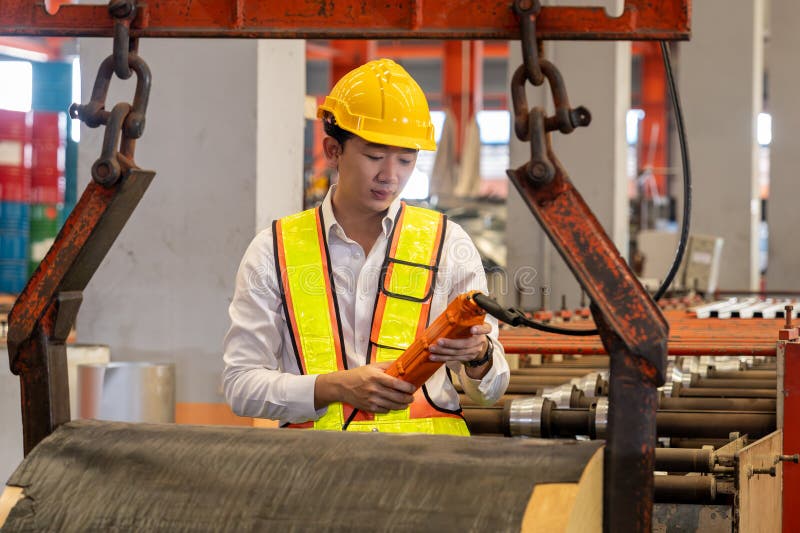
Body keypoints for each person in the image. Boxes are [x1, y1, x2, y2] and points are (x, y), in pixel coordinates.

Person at [223, 58, 509, 435]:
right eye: (374, 156)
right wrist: (332, 387)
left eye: (406, 160)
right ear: (333, 150)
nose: (390, 176)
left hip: (430, 475)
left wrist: (481, 356)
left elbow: (490, 391)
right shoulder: (273, 251)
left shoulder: (447, 244)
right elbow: (240, 386)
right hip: (316, 477)